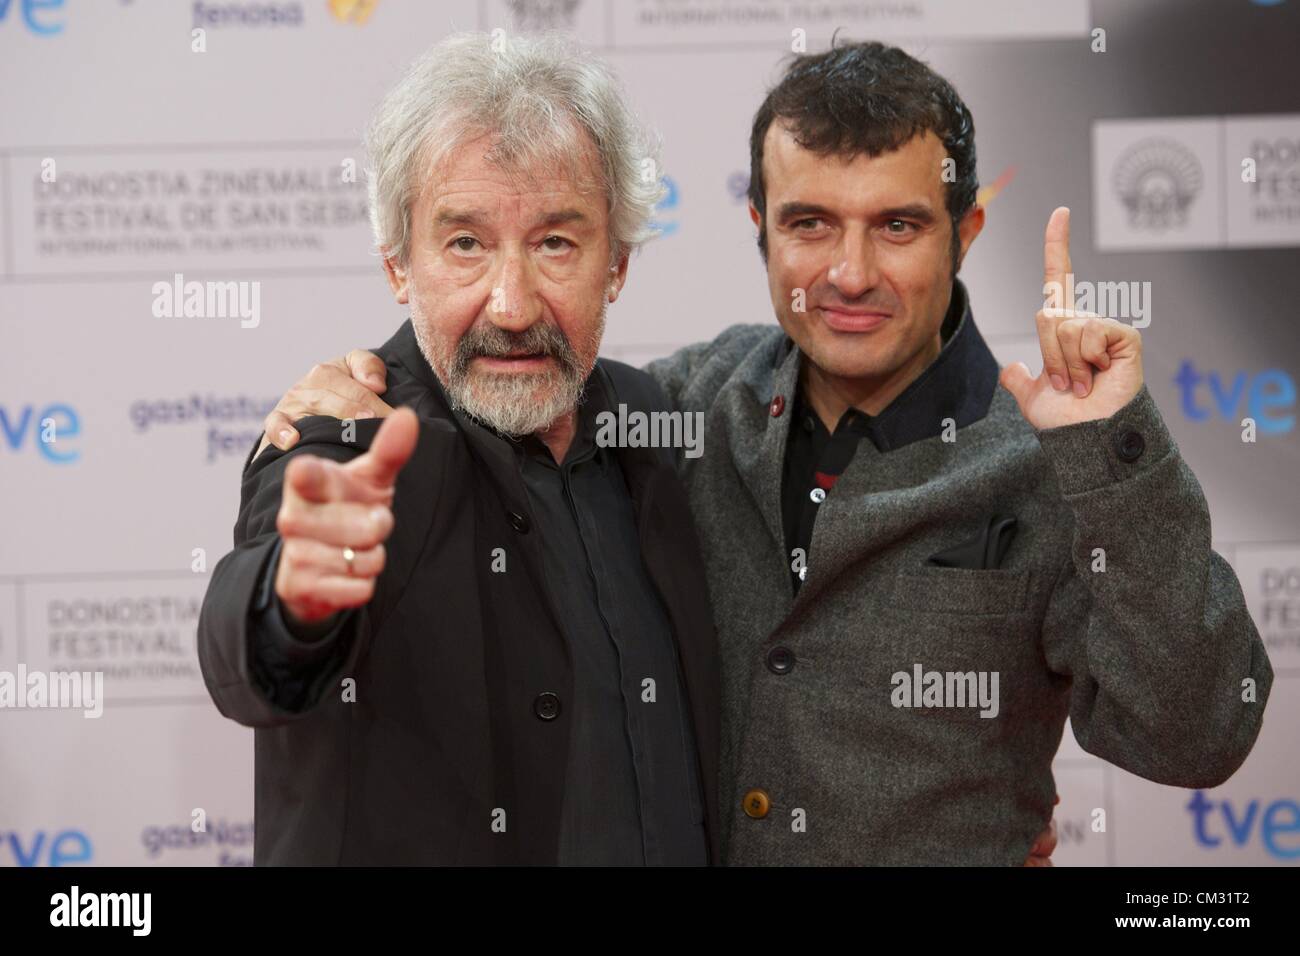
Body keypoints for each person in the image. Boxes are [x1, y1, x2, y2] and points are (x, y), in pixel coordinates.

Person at [197, 33, 722, 865]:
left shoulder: (654, 420)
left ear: (616, 264)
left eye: (556, 242)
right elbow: (249, 646)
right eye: (466, 244)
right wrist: (289, 599)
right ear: (399, 266)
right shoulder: (345, 432)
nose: (511, 306)